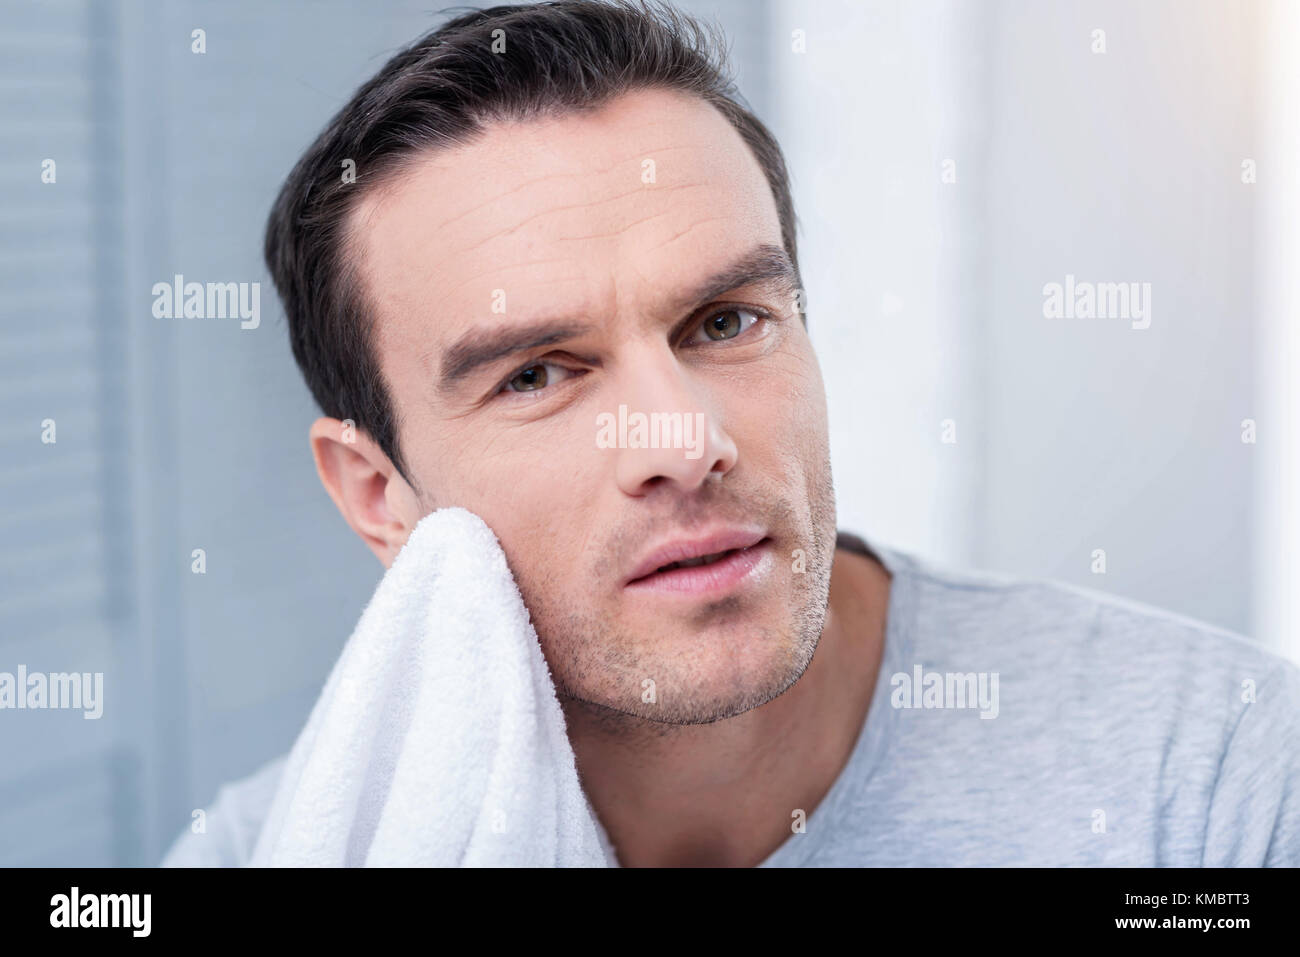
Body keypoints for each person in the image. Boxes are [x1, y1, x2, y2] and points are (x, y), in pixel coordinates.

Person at [162, 0, 1300, 867]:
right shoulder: (274, 852)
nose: (682, 438)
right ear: (378, 498)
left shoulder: (1208, 780)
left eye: (723, 321)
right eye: (538, 374)